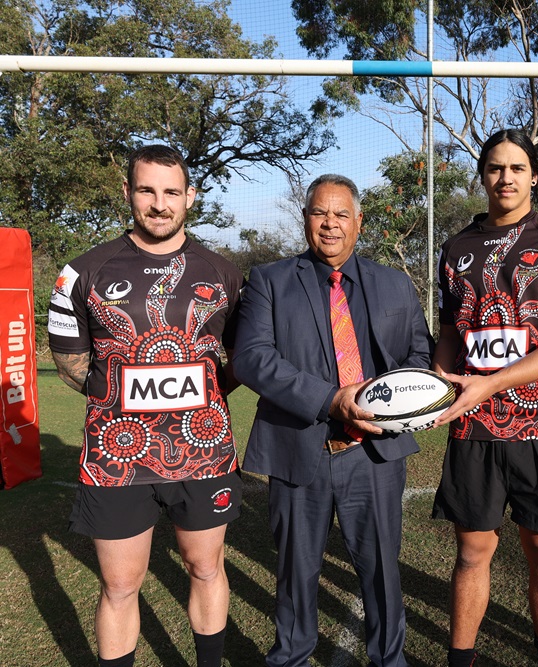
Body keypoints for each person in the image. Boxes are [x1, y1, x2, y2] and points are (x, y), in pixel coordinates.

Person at [47, 144, 244, 667]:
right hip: (115, 459)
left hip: (204, 454)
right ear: (128, 192)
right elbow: (70, 364)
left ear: (190, 197)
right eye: (147, 190)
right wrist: (116, 400)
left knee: (206, 568)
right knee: (119, 586)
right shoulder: (82, 272)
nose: (160, 204)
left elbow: (244, 360)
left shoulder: (224, 274)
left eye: (172, 192)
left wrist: (206, 398)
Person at [230, 173, 433, 667]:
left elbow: (419, 354)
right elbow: (252, 358)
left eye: (341, 214)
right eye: (320, 212)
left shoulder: (394, 283)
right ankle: (291, 656)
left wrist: (402, 403)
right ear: (305, 219)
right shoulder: (270, 280)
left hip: (374, 455)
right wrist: (329, 399)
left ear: (359, 220)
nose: (330, 223)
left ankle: (390, 660)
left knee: (382, 571)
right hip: (300, 450)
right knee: (296, 573)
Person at [431, 128, 538, 667]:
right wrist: (437, 382)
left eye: (517, 168)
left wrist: (490, 383)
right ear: (482, 176)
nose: (506, 177)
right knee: (471, 552)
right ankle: (461, 659)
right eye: (496, 167)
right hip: (473, 426)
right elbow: (450, 333)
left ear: (535, 176)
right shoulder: (456, 248)